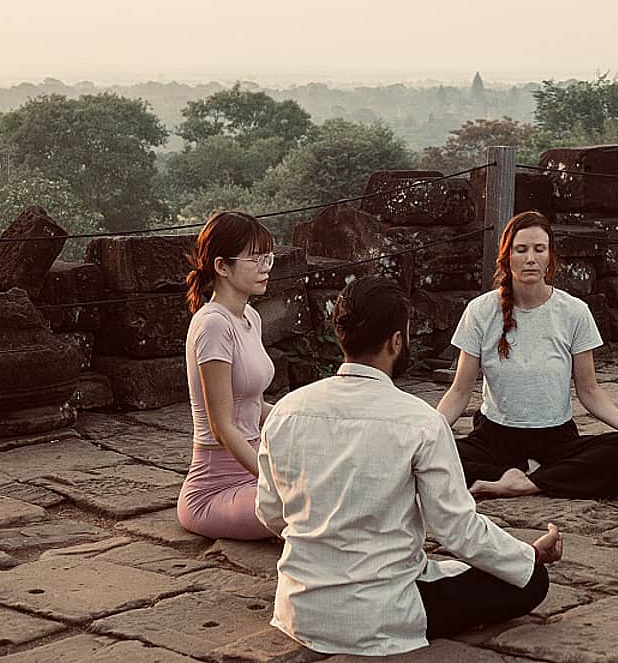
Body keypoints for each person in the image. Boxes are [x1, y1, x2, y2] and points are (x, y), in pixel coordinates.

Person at [256, 276, 562, 656]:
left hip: (299, 607)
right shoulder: (419, 421)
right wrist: (527, 555)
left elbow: (271, 513)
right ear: (396, 342)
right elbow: (457, 529)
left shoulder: (286, 410)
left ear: (340, 337)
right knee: (530, 581)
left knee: (455, 569)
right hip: (381, 613)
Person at [437, 210, 618, 499]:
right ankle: (537, 477)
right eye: (521, 249)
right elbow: (460, 391)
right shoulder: (480, 311)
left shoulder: (574, 311)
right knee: (432, 454)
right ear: (507, 256)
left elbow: (589, 390)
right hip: (494, 440)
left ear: (550, 257)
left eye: (539, 249)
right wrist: (428, 430)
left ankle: (525, 482)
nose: (530, 258)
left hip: (557, 441)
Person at [176, 211, 277, 540]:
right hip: (214, 490)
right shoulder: (213, 325)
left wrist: (307, 422)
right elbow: (222, 426)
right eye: (255, 258)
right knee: (306, 507)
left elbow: (254, 406)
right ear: (222, 266)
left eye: (268, 257)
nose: (265, 267)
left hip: (256, 465)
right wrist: (271, 479)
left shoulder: (250, 316)